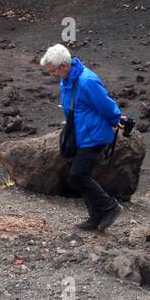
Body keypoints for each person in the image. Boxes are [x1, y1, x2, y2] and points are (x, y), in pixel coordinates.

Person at [40, 43, 127, 232]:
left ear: (64, 66)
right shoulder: (67, 81)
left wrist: (115, 120)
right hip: (80, 135)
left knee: (77, 176)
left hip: (93, 136)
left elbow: (106, 105)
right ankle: (95, 218)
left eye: (53, 71)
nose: (52, 75)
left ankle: (110, 207)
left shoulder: (87, 81)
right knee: (83, 175)